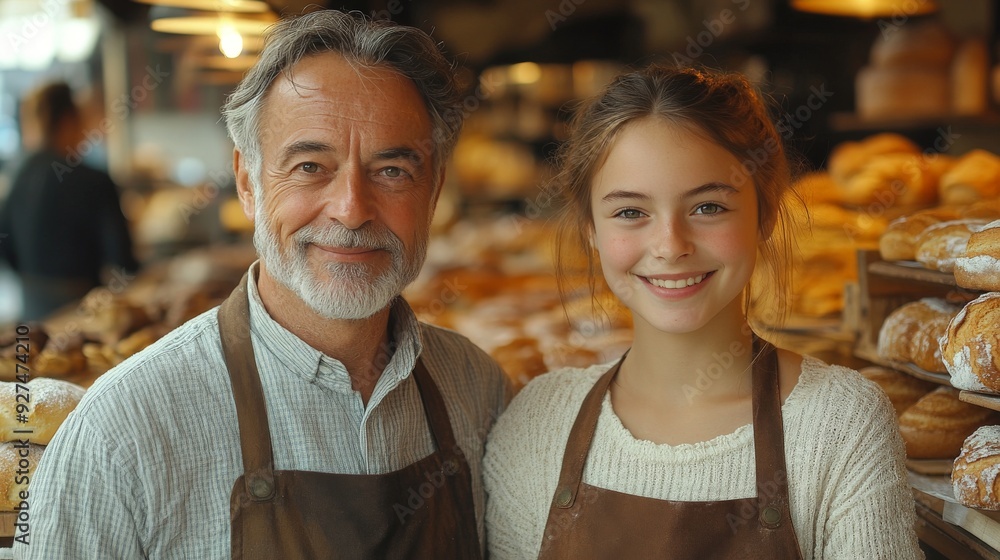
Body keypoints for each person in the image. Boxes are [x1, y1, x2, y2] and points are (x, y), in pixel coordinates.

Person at [17, 10, 510, 559]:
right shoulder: (121, 431)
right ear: (248, 183)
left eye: (392, 170)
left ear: (434, 191)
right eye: (309, 166)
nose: (351, 209)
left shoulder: (480, 391)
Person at [483, 66, 922, 559]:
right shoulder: (538, 424)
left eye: (707, 207)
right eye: (630, 212)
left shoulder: (842, 425)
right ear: (591, 230)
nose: (671, 246)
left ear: (765, 215)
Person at [0, 81, 139, 320]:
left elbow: (5, 245)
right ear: (68, 121)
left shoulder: (18, 175)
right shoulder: (94, 180)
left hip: (31, 313)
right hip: (83, 311)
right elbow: (122, 260)